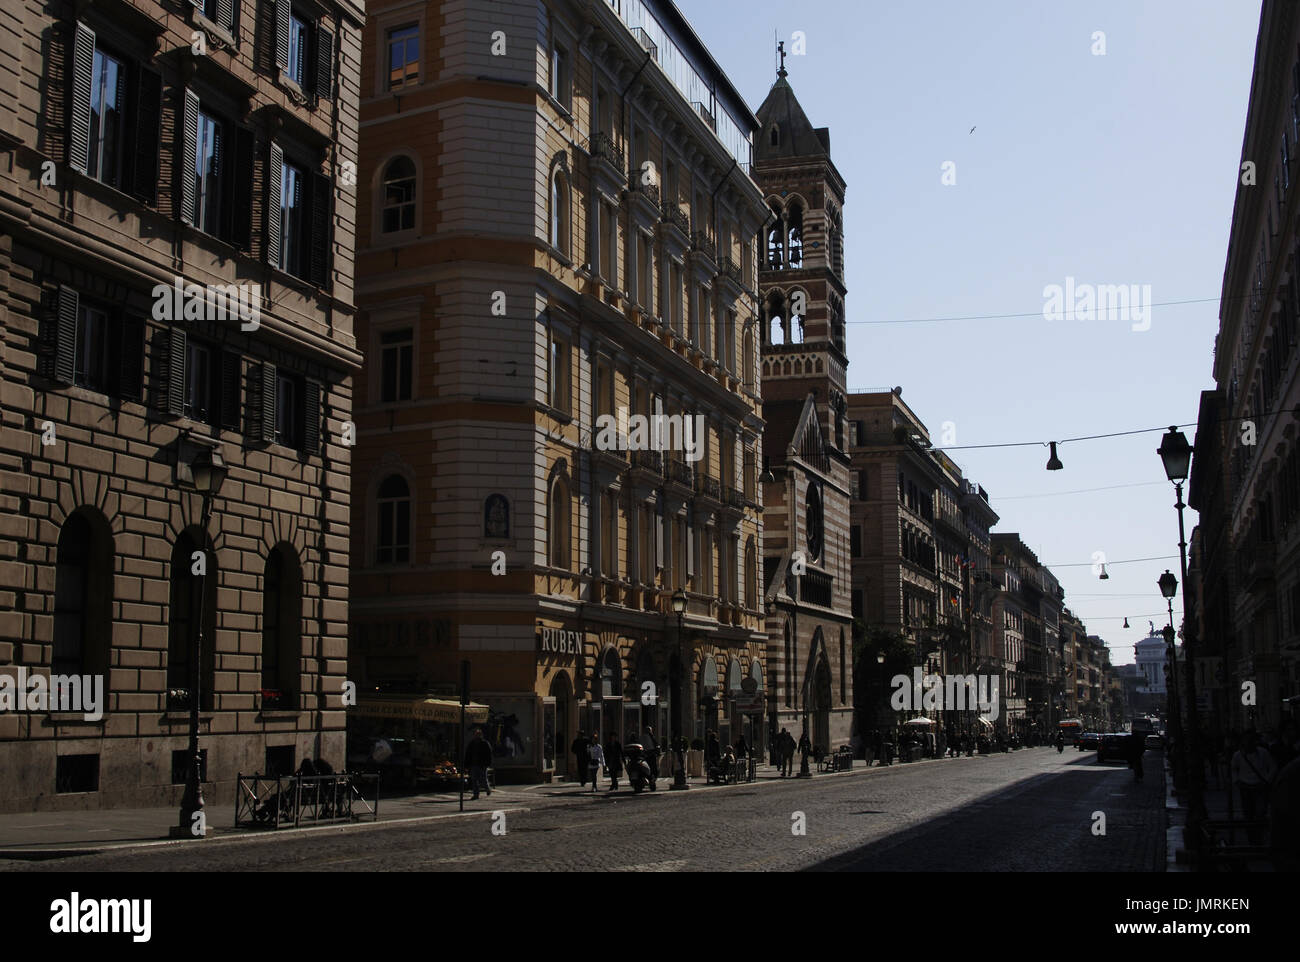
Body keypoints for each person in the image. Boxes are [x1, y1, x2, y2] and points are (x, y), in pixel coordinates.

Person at [1232, 730, 1277, 842]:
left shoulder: (1263, 753)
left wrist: (1266, 780)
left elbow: (1272, 767)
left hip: (1260, 786)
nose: (1248, 743)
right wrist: (1237, 781)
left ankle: (1258, 836)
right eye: (1246, 740)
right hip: (1246, 787)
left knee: (1260, 813)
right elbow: (1233, 769)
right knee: (1248, 813)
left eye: (1250, 740)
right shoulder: (1238, 755)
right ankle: (1252, 838)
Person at [464, 728, 493, 800]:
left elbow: (489, 754)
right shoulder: (471, 744)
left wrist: (487, 763)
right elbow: (468, 754)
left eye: (478, 734)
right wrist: (467, 764)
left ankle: (487, 789)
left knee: (483, 779)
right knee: (474, 780)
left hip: (482, 764)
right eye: (476, 734)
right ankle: (476, 794)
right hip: (474, 764)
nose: (477, 736)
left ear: (481, 735)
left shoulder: (485, 743)